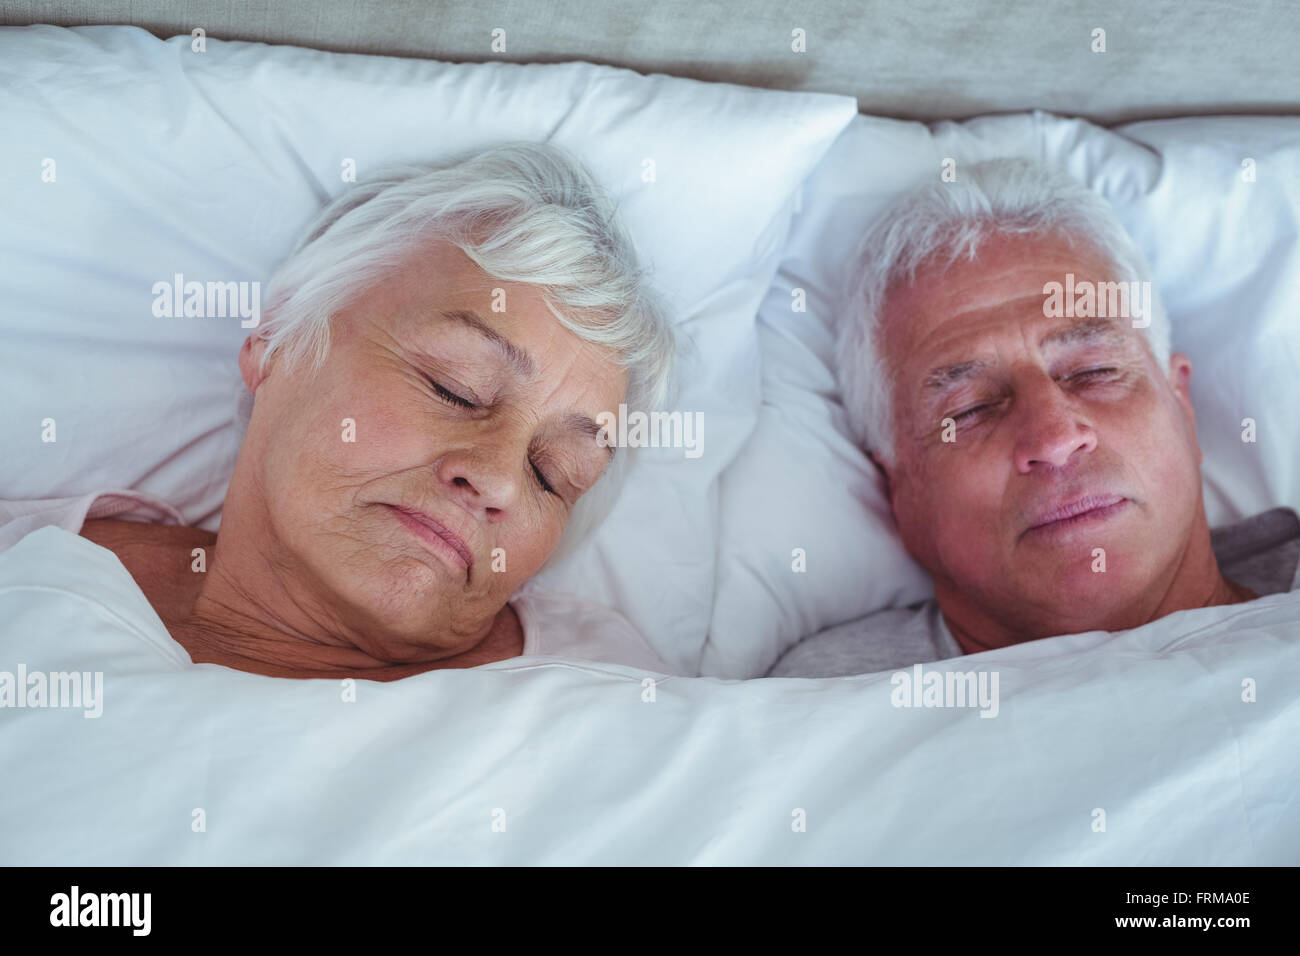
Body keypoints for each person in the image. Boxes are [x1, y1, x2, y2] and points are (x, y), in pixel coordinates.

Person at [0, 142, 678, 679]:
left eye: (552, 473)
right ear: (278, 345)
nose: (499, 478)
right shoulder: (30, 571)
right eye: (455, 389)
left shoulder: (605, 694)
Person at [770, 158, 1300, 678]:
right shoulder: (819, 709)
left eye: (1094, 371)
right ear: (899, 491)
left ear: (1181, 405)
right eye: (971, 409)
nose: (1054, 438)